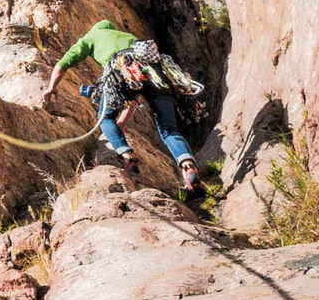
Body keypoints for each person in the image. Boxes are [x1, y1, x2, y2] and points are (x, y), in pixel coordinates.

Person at [39, 19, 199, 190]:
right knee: (169, 130)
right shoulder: (127, 36)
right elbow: (136, 94)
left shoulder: (88, 39)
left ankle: (127, 158)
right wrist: (122, 123)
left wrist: (51, 88)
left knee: (106, 118)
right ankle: (188, 165)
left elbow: (61, 66)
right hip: (154, 72)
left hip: (120, 71)